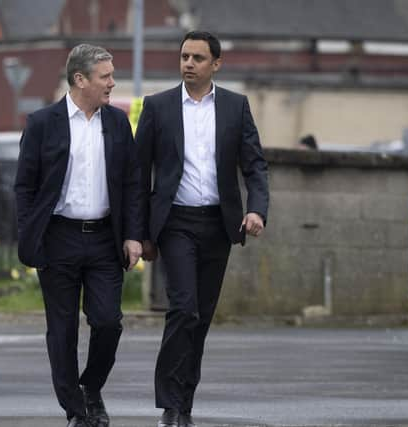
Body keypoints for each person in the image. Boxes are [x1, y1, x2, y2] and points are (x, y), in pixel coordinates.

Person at [135, 31, 269, 427]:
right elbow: (139, 173)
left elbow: (255, 165)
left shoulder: (235, 107)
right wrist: (141, 232)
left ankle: (185, 401)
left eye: (197, 58)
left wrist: (257, 210)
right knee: (183, 308)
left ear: (216, 64)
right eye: (184, 57)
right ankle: (170, 405)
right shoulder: (157, 107)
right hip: (174, 223)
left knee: (201, 317)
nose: (188, 64)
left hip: (218, 224)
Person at [14, 44, 143, 427]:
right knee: (63, 328)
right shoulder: (42, 124)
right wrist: (31, 233)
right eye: (105, 76)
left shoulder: (117, 123)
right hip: (58, 238)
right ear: (80, 79)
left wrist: (134, 235)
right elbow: (24, 186)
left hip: (105, 238)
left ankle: (91, 387)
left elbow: (134, 183)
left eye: (112, 74)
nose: (112, 82)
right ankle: (76, 410)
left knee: (107, 322)